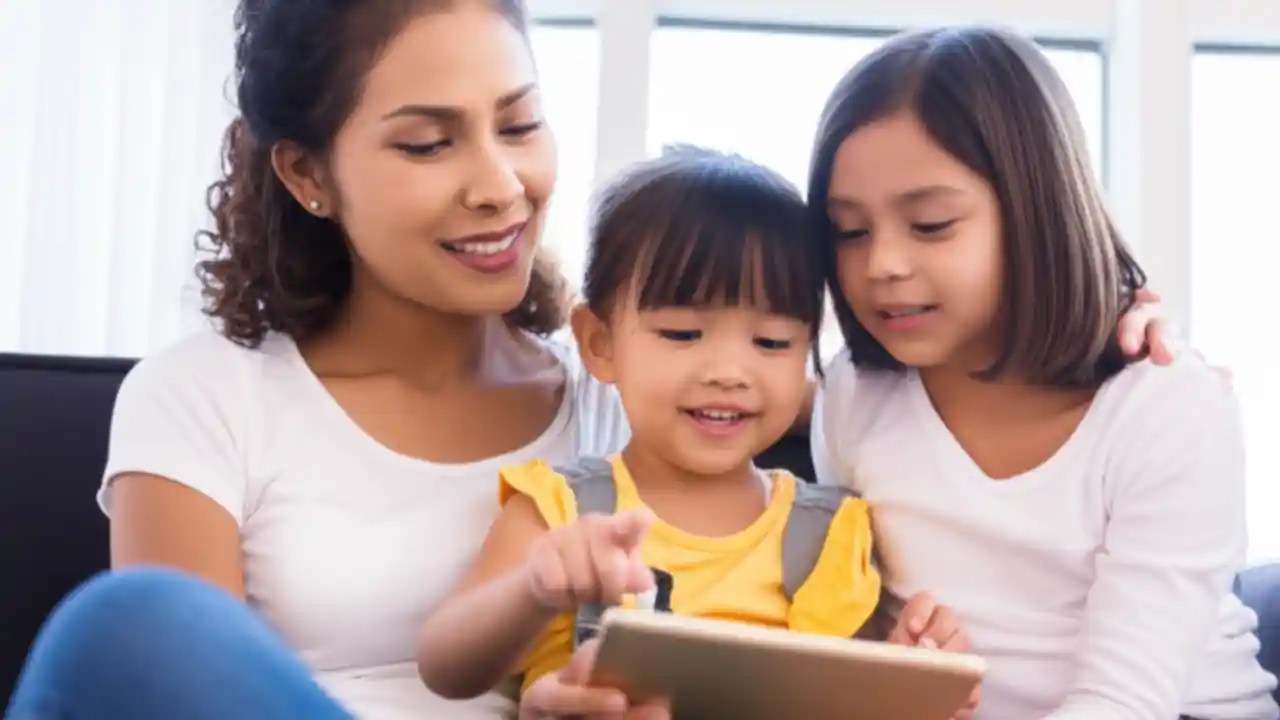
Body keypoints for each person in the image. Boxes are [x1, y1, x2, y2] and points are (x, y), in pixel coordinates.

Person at [4, 2, 1173, 716]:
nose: (499, 183)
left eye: (518, 123)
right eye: (428, 143)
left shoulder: (638, 403)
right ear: (309, 175)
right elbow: (173, 678)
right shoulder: (206, 397)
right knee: (132, 628)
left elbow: (896, 353)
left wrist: (1106, 326)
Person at [807, 26, 1280, 720]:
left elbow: (1125, 701)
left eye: (931, 224)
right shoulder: (854, 392)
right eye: (850, 231)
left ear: (1037, 211)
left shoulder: (1165, 408)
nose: (882, 264)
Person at [415, 147, 977, 718]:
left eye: (772, 342)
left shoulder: (827, 538)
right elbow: (446, 667)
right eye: (683, 334)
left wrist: (914, 680)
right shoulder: (560, 511)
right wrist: (534, 589)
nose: (728, 373)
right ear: (600, 344)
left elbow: (845, 704)